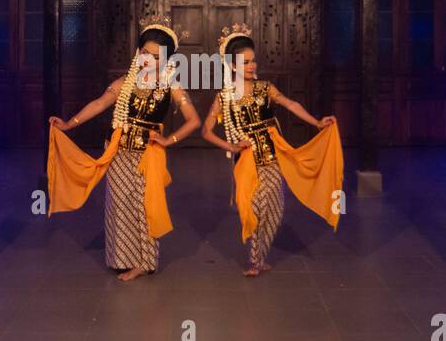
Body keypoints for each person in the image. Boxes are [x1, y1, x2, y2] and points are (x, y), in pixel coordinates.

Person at [47, 16, 200, 281]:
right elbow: (98, 104)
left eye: (155, 56)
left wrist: (167, 141)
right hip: (118, 152)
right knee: (119, 205)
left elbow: (194, 120)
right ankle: (123, 258)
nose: (148, 60)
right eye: (144, 53)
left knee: (144, 206)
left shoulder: (171, 87)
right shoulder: (123, 84)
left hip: (147, 155)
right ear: (136, 52)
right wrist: (69, 125)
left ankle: (145, 261)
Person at [201, 24, 344, 277]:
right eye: (245, 62)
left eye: (253, 61)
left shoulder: (265, 88)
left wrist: (317, 122)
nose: (252, 66)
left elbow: (291, 104)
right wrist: (232, 146)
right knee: (255, 206)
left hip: (272, 155)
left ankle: (260, 255)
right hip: (246, 160)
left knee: (275, 210)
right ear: (232, 66)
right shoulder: (224, 97)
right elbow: (206, 131)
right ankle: (256, 261)